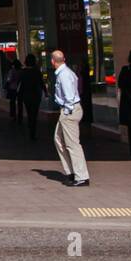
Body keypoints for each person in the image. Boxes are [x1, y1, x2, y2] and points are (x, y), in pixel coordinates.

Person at [51, 50, 89, 186]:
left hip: (69, 111)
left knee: (72, 144)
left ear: (52, 61)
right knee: (58, 139)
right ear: (64, 59)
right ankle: (72, 172)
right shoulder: (66, 72)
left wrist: (66, 112)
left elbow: (69, 97)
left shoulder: (64, 75)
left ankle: (81, 176)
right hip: (70, 110)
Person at [18, 54, 43, 141]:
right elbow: (41, 83)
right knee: (34, 114)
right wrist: (46, 92)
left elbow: (20, 84)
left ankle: (30, 127)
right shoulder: (37, 71)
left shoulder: (23, 72)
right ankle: (33, 132)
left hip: (26, 95)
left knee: (29, 113)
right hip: (35, 95)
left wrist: (20, 95)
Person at [4, 58, 22, 122]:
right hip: (20, 89)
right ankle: (20, 116)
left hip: (12, 88)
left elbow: (9, 79)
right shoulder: (21, 71)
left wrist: (6, 85)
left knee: (12, 102)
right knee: (20, 103)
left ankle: (13, 115)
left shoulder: (12, 71)